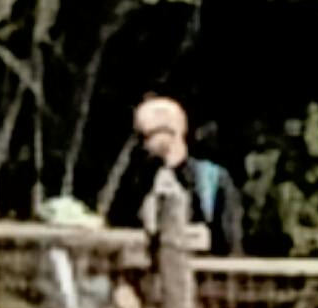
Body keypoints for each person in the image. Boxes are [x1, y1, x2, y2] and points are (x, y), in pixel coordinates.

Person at [102, 94, 246, 258]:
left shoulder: (212, 179)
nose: (141, 144)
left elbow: (230, 242)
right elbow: (116, 225)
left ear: (171, 133)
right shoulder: (135, 181)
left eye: (145, 135)